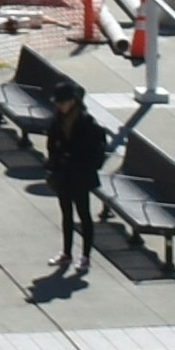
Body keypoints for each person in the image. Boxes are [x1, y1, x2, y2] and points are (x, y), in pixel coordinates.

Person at [38, 87, 108, 278]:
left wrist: (67, 153)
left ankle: (85, 255)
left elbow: (87, 152)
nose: (59, 106)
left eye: (62, 102)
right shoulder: (58, 119)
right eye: (57, 103)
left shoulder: (86, 123)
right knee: (66, 213)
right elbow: (52, 142)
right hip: (63, 174)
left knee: (84, 214)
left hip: (80, 176)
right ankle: (66, 253)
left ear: (73, 102)